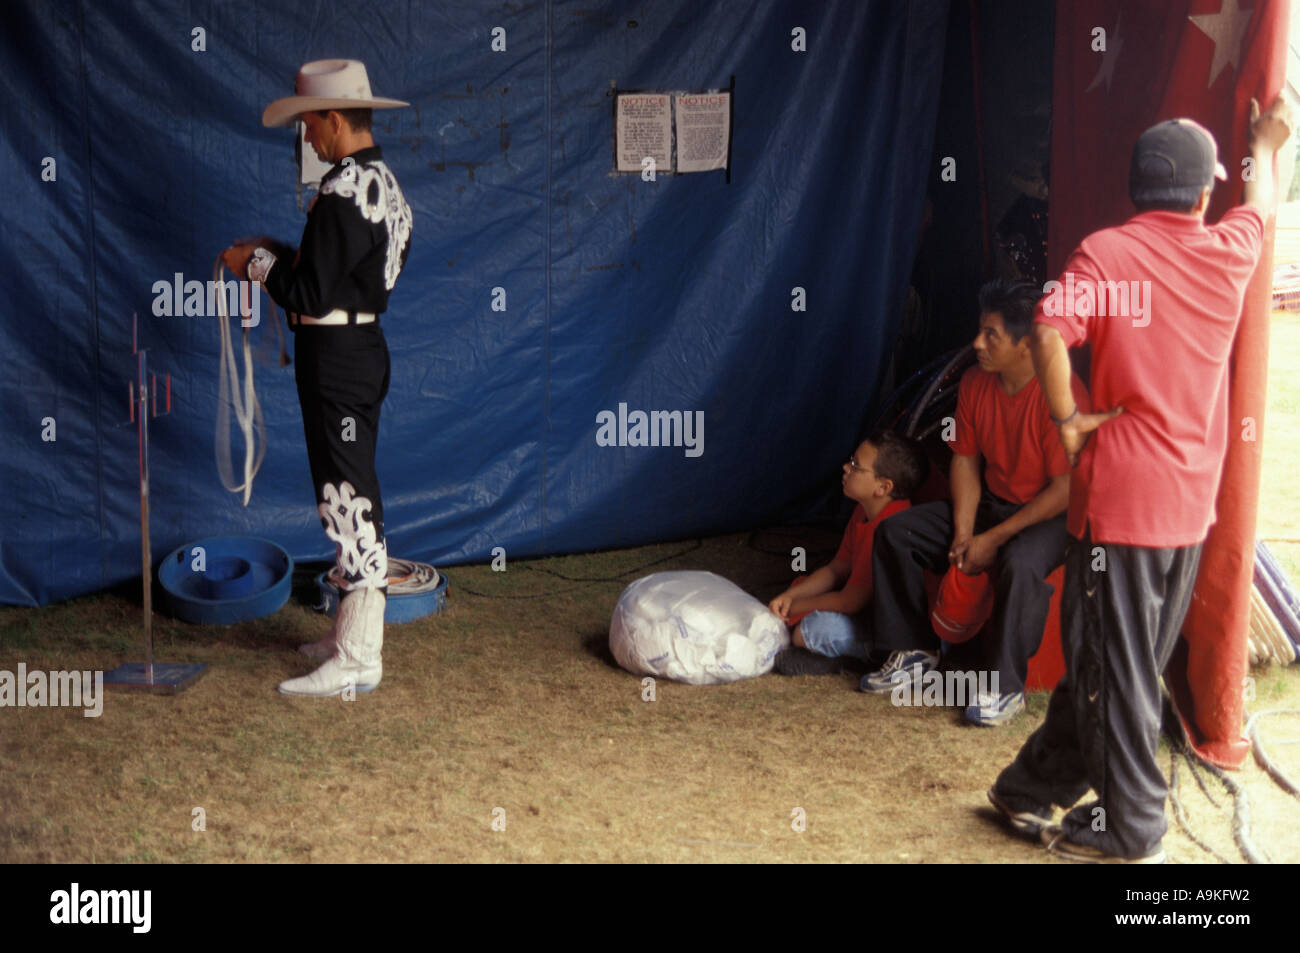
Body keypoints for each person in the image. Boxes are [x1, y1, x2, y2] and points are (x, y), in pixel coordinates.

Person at [988, 100, 1293, 863]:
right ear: (1198, 195)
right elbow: (1261, 202)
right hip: (1189, 507)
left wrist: (1067, 416)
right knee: (1123, 669)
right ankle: (1131, 829)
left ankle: (1035, 789)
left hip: (1122, 508)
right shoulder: (1229, 249)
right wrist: (1265, 143)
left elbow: (1051, 330)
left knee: (1115, 668)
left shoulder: (1107, 255)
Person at [220, 59, 413, 697]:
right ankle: (347, 635)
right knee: (346, 491)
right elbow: (350, 270)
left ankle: (360, 655)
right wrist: (278, 250)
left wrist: (256, 261)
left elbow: (306, 286)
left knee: (349, 498)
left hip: (337, 359)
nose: (306, 138)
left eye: (309, 125)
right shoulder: (385, 183)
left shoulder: (340, 189)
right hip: (361, 347)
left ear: (333, 120)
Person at [861, 280, 1090, 727]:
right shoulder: (974, 383)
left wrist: (993, 538)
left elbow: (1064, 489)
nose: (977, 343)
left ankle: (1006, 689)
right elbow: (965, 460)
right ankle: (914, 651)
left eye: (991, 335)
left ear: (1027, 346)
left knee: (1019, 562)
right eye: (980, 330)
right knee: (898, 532)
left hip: (1054, 514)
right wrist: (966, 534)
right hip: (994, 503)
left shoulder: (1061, 394)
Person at [770, 431, 929, 676]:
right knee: (799, 596)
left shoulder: (891, 527)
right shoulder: (863, 511)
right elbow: (837, 568)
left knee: (811, 629)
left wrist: (795, 607)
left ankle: (867, 658)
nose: (846, 467)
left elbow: (850, 601)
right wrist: (791, 596)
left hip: (888, 630)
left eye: (856, 466)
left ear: (883, 487)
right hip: (864, 612)